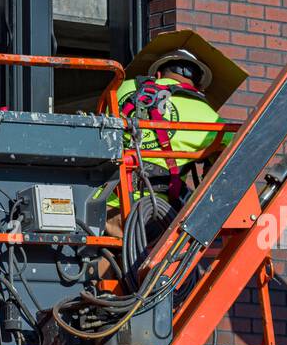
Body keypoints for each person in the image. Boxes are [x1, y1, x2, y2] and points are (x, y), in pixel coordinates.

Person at [96, 31, 247, 257]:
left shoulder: (121, 89)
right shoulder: (206, 116)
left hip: (101, 208)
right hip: (152, 220)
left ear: (158, 73)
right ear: (198, 87)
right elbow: (240, 152)